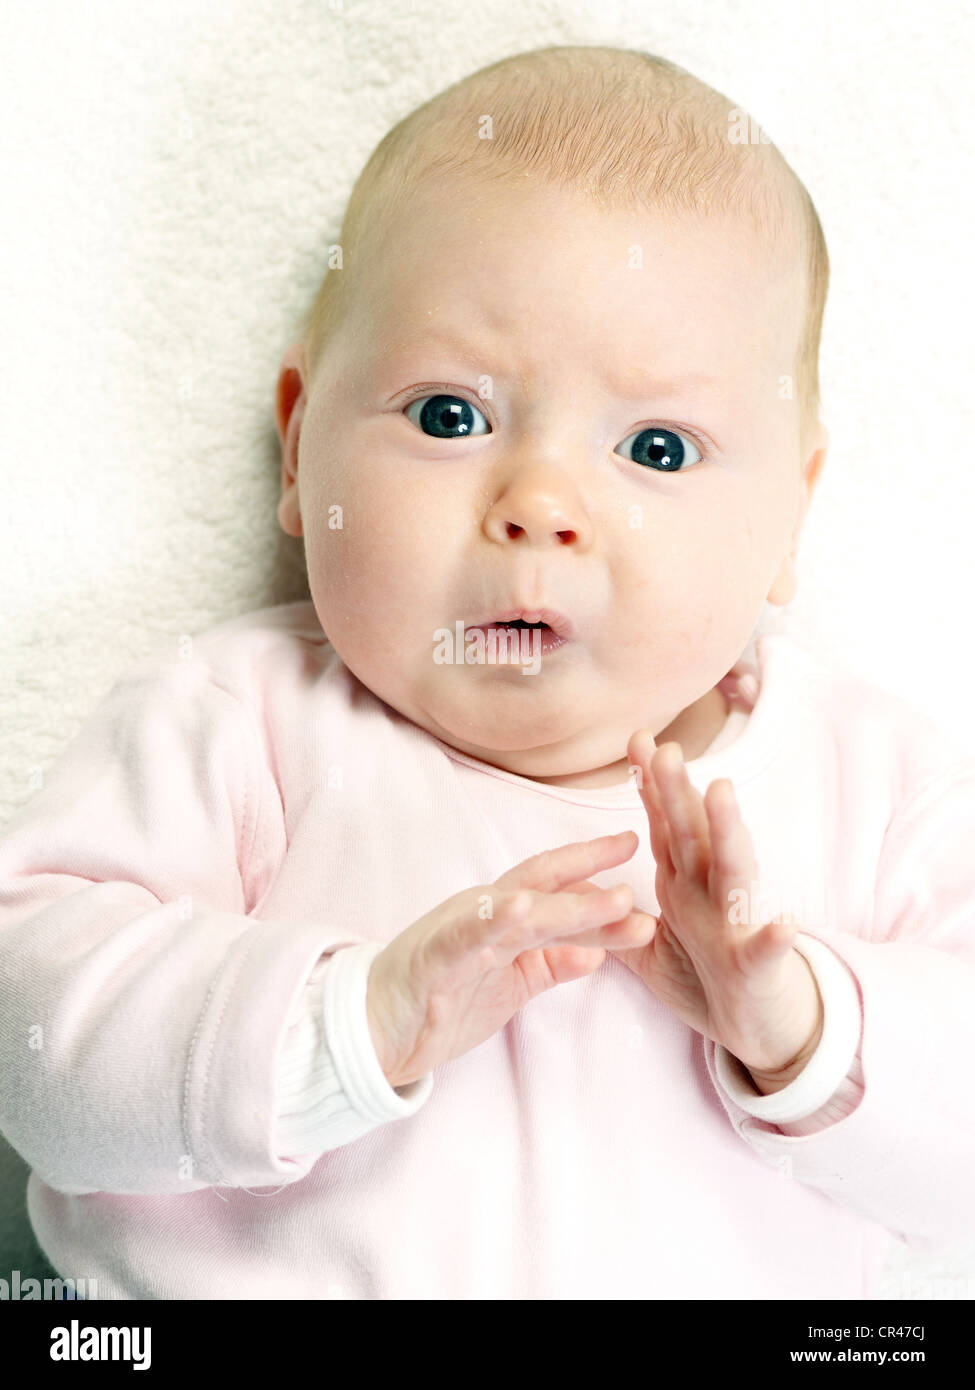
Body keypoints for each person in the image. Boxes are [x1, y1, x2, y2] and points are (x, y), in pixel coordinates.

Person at [1, 45, 973, 1300]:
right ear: (300, 451)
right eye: (450, 416)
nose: (540, 505)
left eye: (660, 446)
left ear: (791, 518)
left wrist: (800, 1024)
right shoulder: (239, 723)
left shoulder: (874, 785)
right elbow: (37, 1043)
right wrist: (348, 1026)